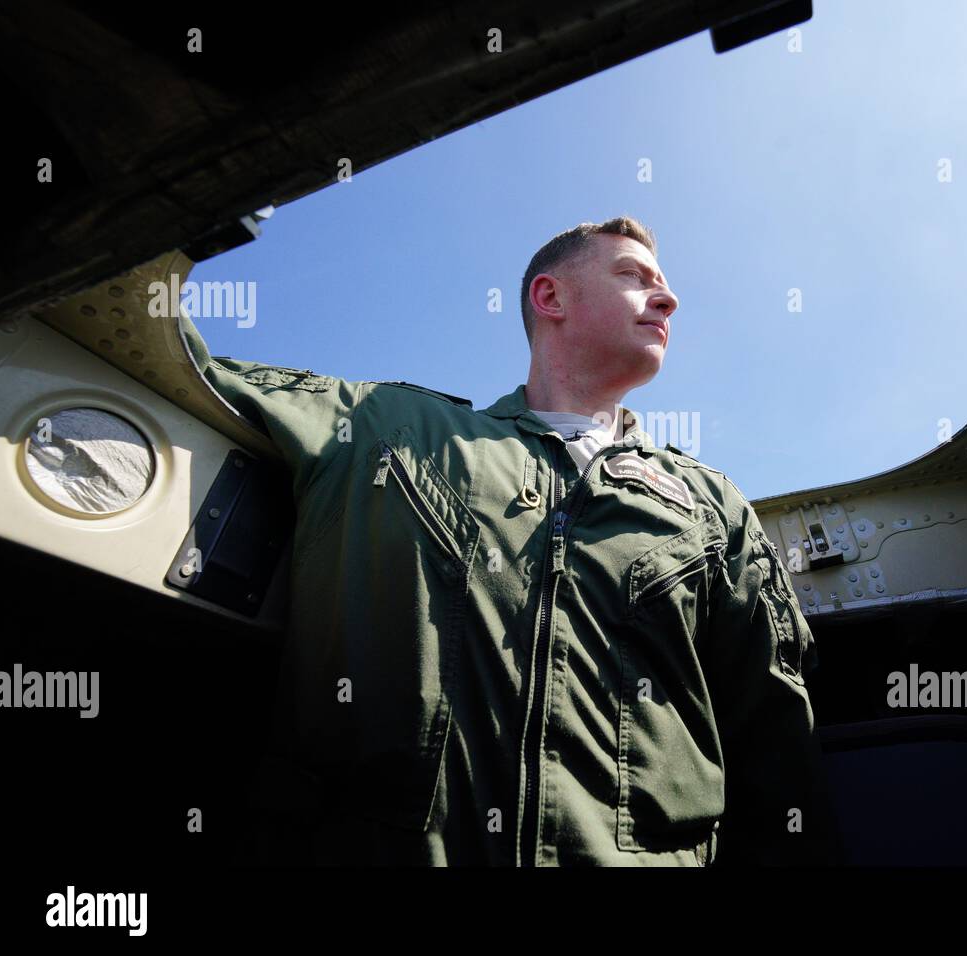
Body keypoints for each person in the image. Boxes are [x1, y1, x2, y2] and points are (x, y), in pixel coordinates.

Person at [180, 215, 839, 866]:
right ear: (550, 297)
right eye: (634, 277)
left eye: (662, 285)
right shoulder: (386, 427)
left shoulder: (711, 504)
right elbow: (169, 359)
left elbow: (777, 746)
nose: (667, 298)